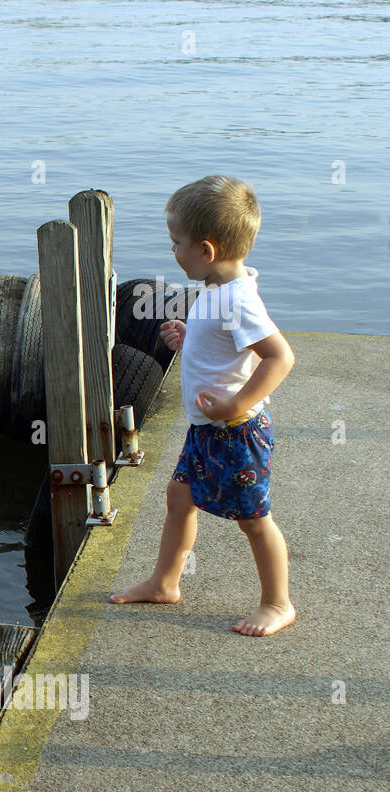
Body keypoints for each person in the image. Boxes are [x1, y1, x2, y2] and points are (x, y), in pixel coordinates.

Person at [109, 175, 296, 636]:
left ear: (207, 251)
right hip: (207, 428)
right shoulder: (217, 289)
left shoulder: (237, 299)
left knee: (254, 519)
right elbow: (228, 348)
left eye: (178, 243)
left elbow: (280, 357)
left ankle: (278, 602)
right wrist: (189, 339)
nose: (173, 251)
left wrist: (236, 400)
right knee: (179, 497)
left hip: (236, 430)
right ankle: (164, 583)